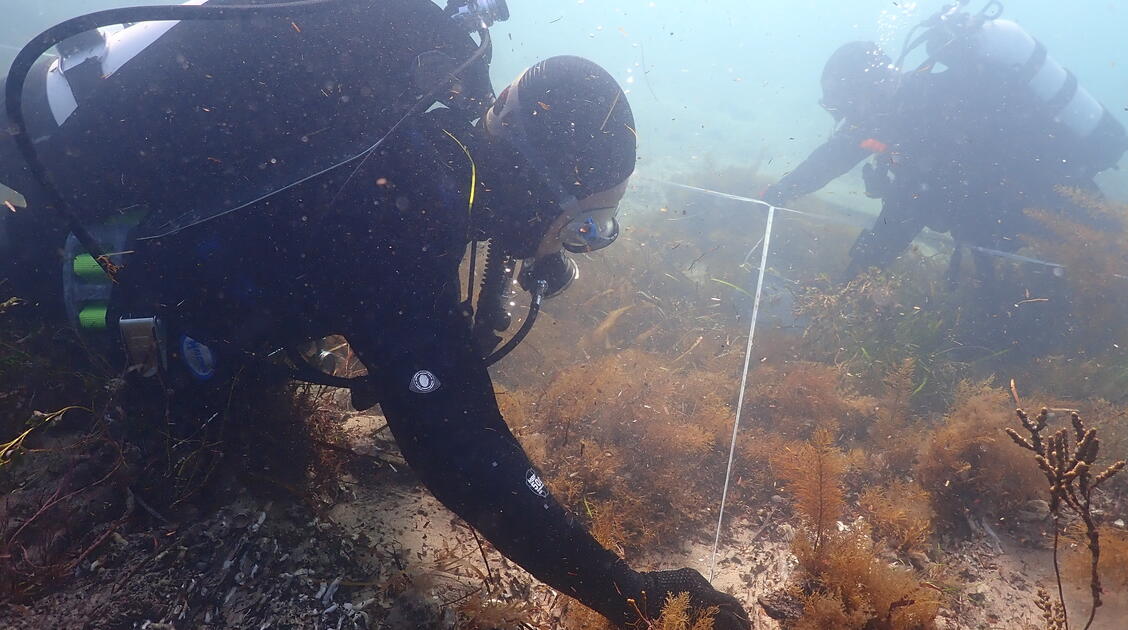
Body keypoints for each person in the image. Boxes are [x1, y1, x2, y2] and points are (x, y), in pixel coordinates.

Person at [0, 1, 750, 627]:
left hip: (81, 100)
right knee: (22, 269)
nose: (578, 247)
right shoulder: (406, 213)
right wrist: (627, 592)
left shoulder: (438, 130)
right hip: (94, 222)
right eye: (586, 224)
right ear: (536, 188)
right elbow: (460, 448)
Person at [765, 16, 1128, 281]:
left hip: (1046, 204)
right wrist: (778, 193)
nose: (845, 118)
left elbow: (905, 211)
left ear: (868, 91)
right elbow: (833, 157)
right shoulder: (900, 109)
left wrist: (857, 277)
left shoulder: (927, 113)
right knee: (1096, 261)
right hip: (1031, 208)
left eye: (845, 105)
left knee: (1107, 270)